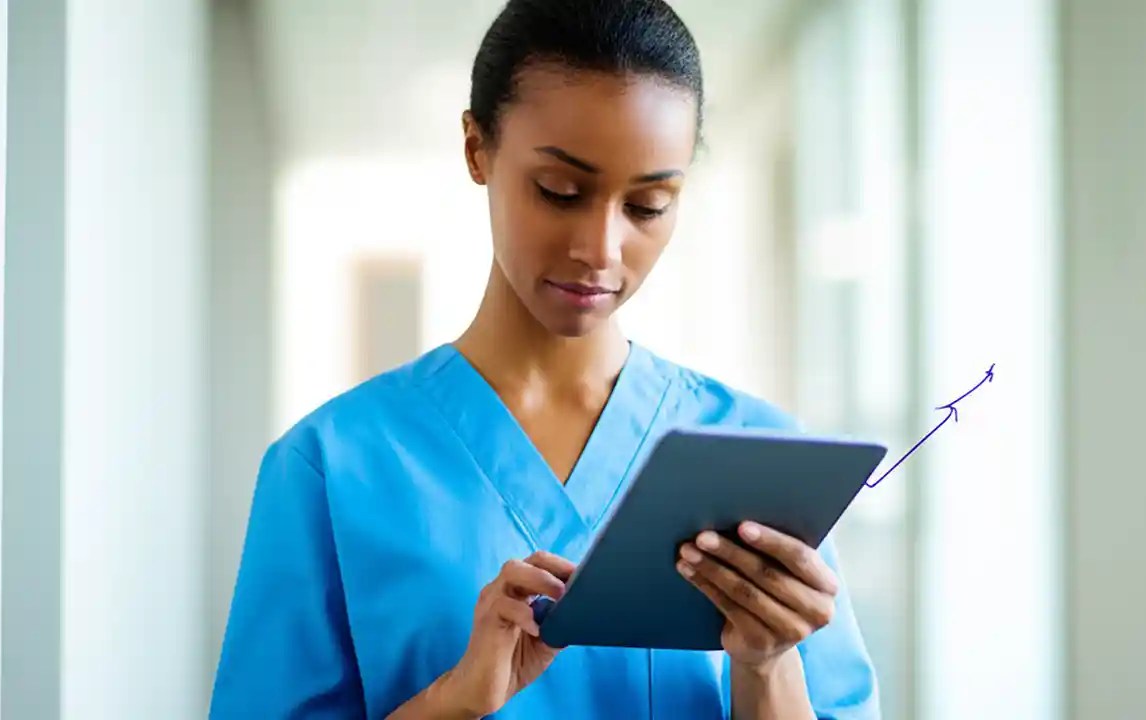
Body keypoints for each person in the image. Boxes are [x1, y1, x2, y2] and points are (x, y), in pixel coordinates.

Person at [209, 0, 879, 717]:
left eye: (649, 205)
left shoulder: (763, 456)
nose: (601, 249)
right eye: (560, 191)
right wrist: (458, 698)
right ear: (478, 150)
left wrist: (767, 665)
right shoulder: (331, 468)